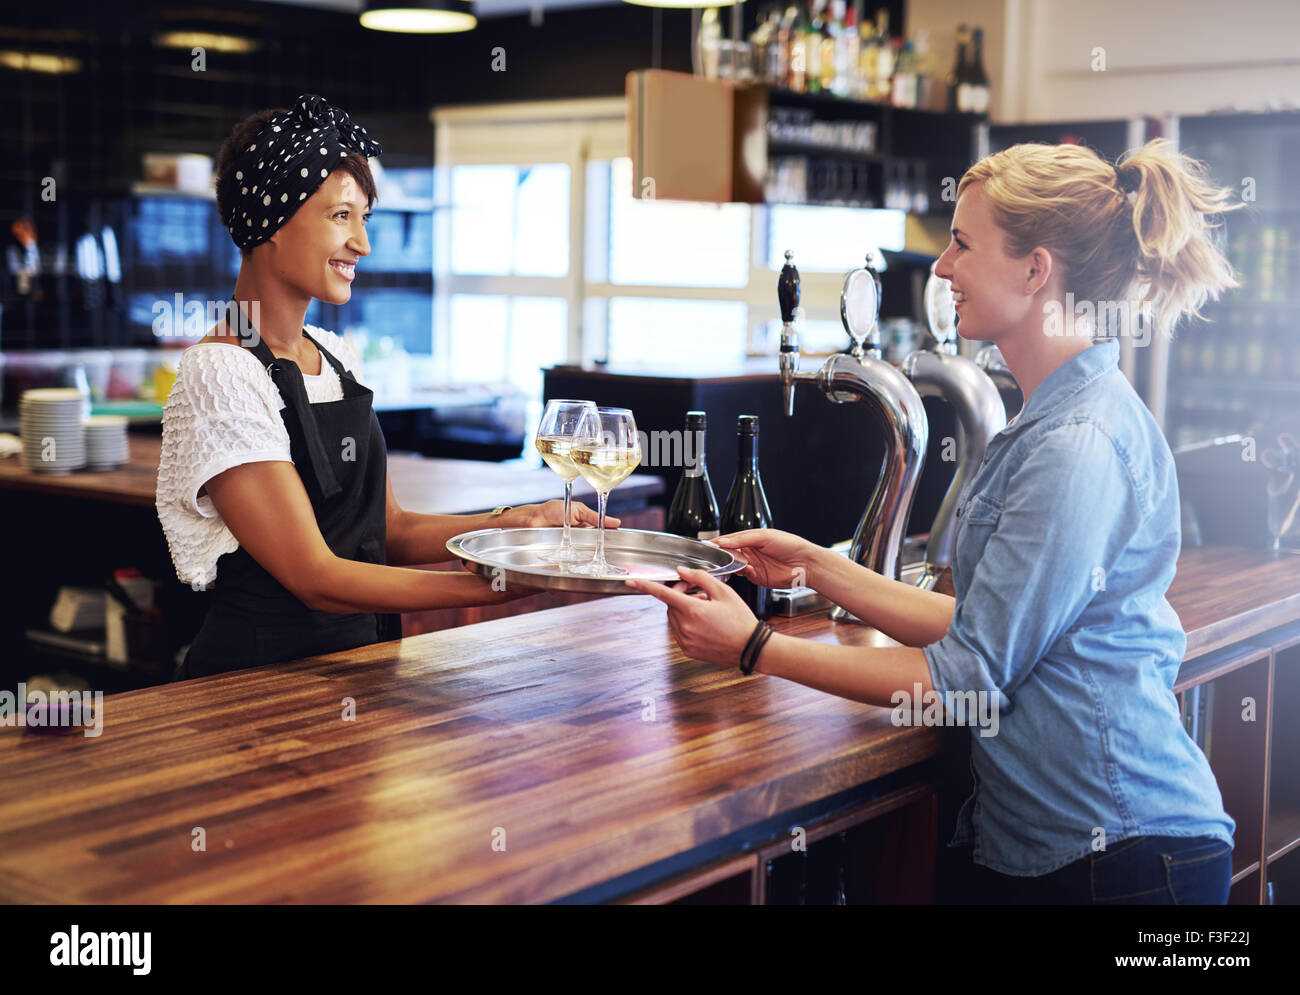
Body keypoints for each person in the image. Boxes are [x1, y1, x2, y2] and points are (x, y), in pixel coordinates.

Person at [626, 138, 1242, 905]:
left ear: (1035, 269)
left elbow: (965, 680)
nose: (942, 267)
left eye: (961, 243)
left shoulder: (1077, 445)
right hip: (1083, 850)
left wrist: (754, 646)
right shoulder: (1056, 416)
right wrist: (817, 564)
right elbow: (988, 627)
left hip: (1117, 859)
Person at [157, 95, 614, 680]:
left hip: (360, 669)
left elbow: (388, 531)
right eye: (341, 216)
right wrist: (495, 586)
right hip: (257, 688)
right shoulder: (221, 373)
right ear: (268, 221)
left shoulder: (336, 356)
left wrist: (515, 523)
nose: (362, 245)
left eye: (363, 218)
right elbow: (316, 577)